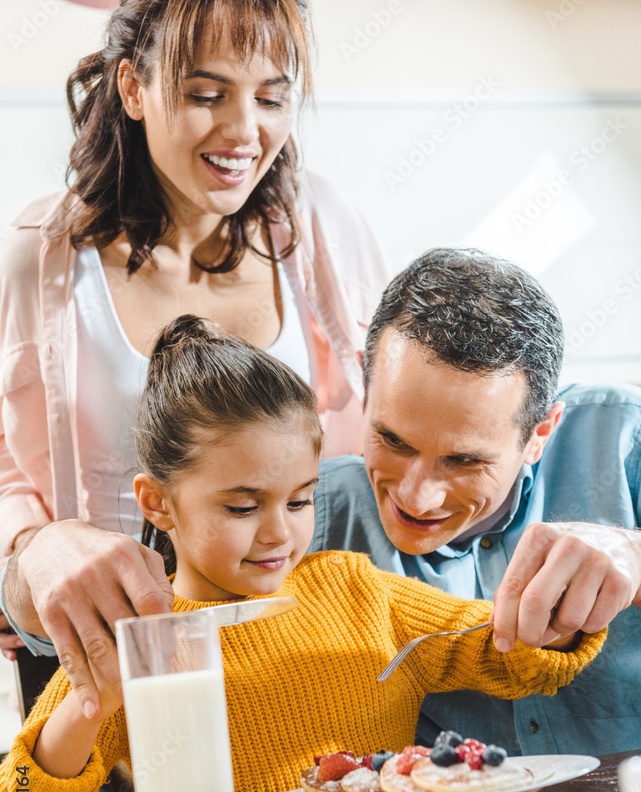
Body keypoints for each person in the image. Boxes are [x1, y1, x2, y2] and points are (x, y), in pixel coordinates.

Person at [0, 316, 605, 792]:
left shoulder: (357, 590)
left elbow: (512, 657)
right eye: (242, 508)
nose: (278, 536)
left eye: (299, 501)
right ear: (157, 503)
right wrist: (90, 705)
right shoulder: (136, 639)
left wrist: (551, 615)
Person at [0, 0, 388, 672]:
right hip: (114, 656)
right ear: (132, 88)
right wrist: (32, 546)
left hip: (298, 643)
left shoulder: (319, 226)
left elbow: (388, 416)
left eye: (272, 97)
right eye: (207, 94)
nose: (244, 131)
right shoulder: (41, 258)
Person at [307, 248, 641, 757]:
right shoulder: (309, 515)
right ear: (367, 384)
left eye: (463, 462)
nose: (415, 495)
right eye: (393, 440)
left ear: (541, 432)